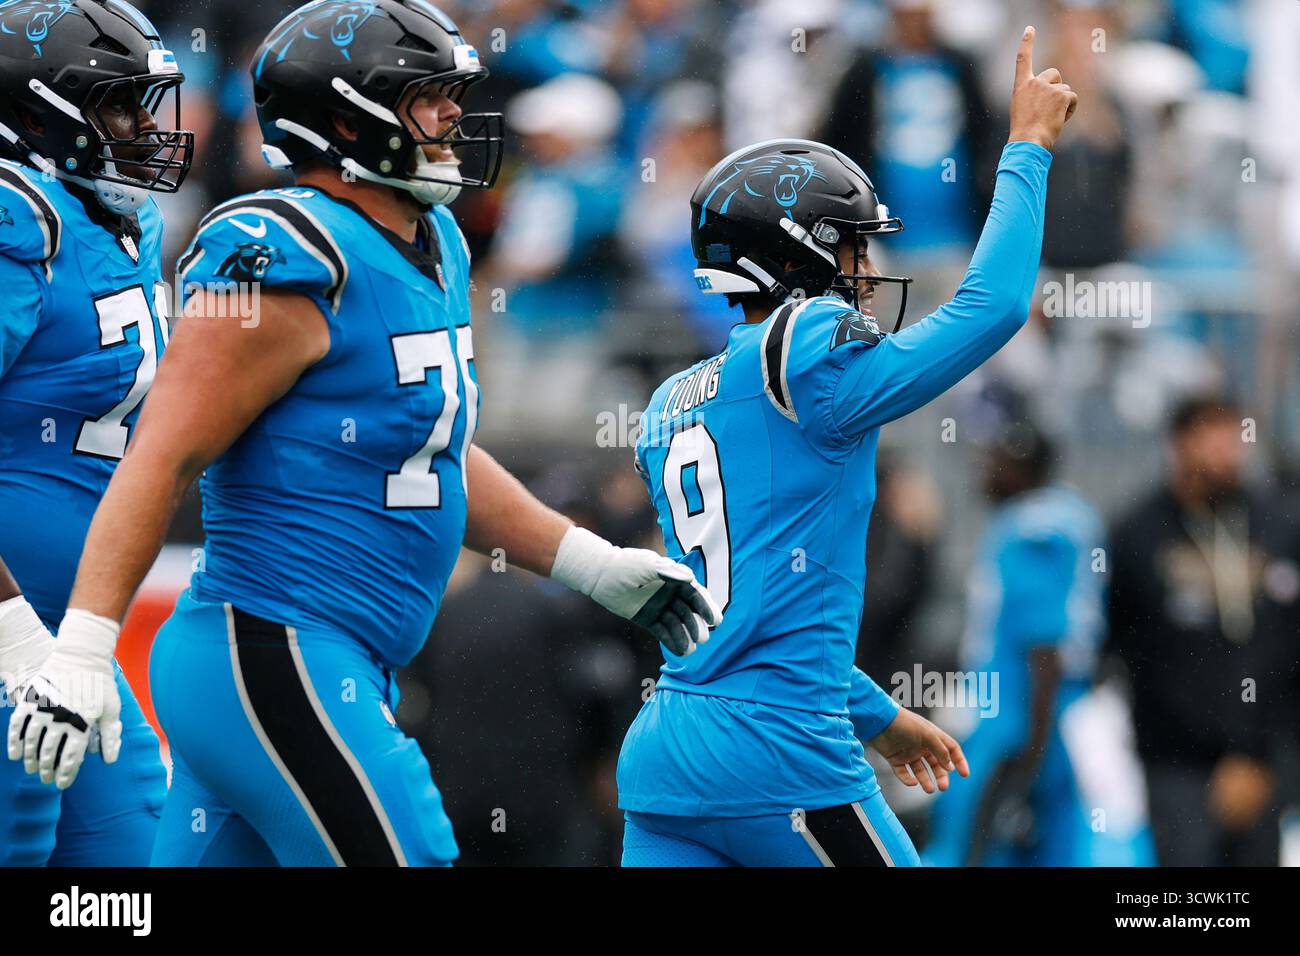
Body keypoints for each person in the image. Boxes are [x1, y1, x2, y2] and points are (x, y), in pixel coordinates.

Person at [7, 0, 719, 868]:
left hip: (329, 659)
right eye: (429, 95)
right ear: (348, 118)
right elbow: (164, 453)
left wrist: (590, 564)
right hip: (272, 649)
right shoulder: (281, 249)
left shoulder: (438, 240)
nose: (455, 115)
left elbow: (433, 452)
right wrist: (78, 641)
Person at [616, 27, 1077, 867]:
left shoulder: (669, 405)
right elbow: (996, 307)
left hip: (668, 756)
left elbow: (747, 621)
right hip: (782, 754)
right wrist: (1028, 148)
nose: (867, 267)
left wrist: (881, 717)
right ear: (802, 257)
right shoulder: (808, 356)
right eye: (853, 245)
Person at [0, 0, 194, 866]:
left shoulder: (116, 219)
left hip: (67, 634)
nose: (143, 128)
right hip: (14, 629)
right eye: (119, 105)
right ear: (35, 111)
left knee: (125, 856)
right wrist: (13, 631)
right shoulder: (18, 216)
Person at [1107, 395, 1297, 866]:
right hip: (1178, 766)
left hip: (1262, 765)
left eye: (1236, 436)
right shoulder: (1139, 535)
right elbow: (1133, 651)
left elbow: (1286, 649)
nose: (1231, 450)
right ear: (1181, 443)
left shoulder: (1277, 526)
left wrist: (1259, 755)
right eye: (1215, 436)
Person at [924, 422, 1105, 866]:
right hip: (1053, 717)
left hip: (1015, 722)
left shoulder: (1032, 528)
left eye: (997, 462)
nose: (986, 471)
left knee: (974, 847)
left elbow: (1043, 647)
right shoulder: (1066, 517)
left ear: (1021, 468)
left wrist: (1031, 754)